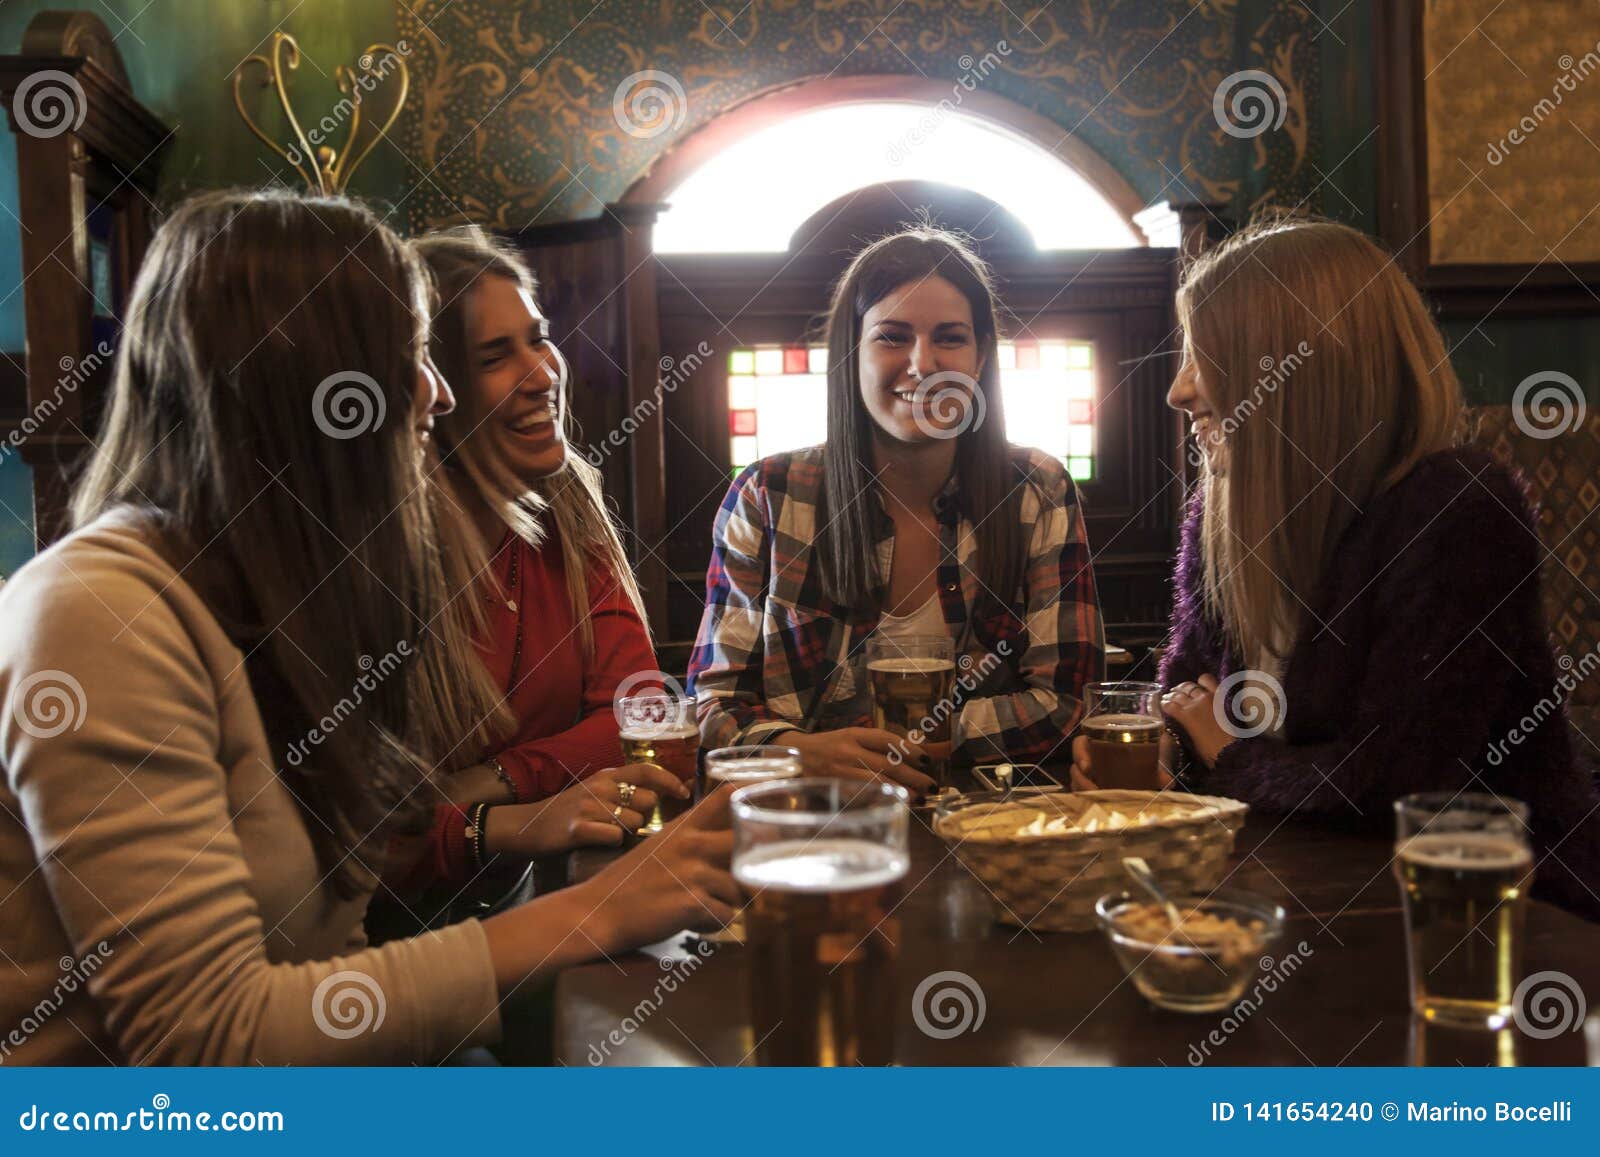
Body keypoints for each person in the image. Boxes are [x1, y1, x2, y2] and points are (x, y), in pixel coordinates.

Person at [0, 189, 737, 1065]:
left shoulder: (291, 596)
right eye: (414, 355)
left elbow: (331, 958)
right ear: (305, 383)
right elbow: (206, 1042)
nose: (436, 393)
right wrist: (596, 910)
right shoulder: (98, 613)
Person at [1071, 215, 1600, 920]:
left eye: (1206, 355)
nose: (1179, 389)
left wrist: (1228, 755)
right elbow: (1186, 694)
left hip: (1496, 916)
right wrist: (1163, 749)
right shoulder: (1223, 510)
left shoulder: (1458, 508)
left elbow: (1392, 785)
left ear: (1298, 371)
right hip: (1294, 890)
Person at [688, 226, 1105, 791]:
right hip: (805, 823)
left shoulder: (1037, 488)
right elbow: (713, 704)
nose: (923, 363)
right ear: (850, 354)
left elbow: (1068, 702)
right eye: (892, 337)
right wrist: (801, 754)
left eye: (950, 338)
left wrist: (914, 737)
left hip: (985, 822)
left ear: (980, 357)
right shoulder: (767, 494)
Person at [382, 227, 683, 904]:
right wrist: (506, 823)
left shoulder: (565, 507)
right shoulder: (376, 558)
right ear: (432, 388)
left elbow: (642, 715)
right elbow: (361, 842)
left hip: (516, 909)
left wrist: (497, 780)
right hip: (363, 946)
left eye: (538, 339)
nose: (544, 374)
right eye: (495, 356)